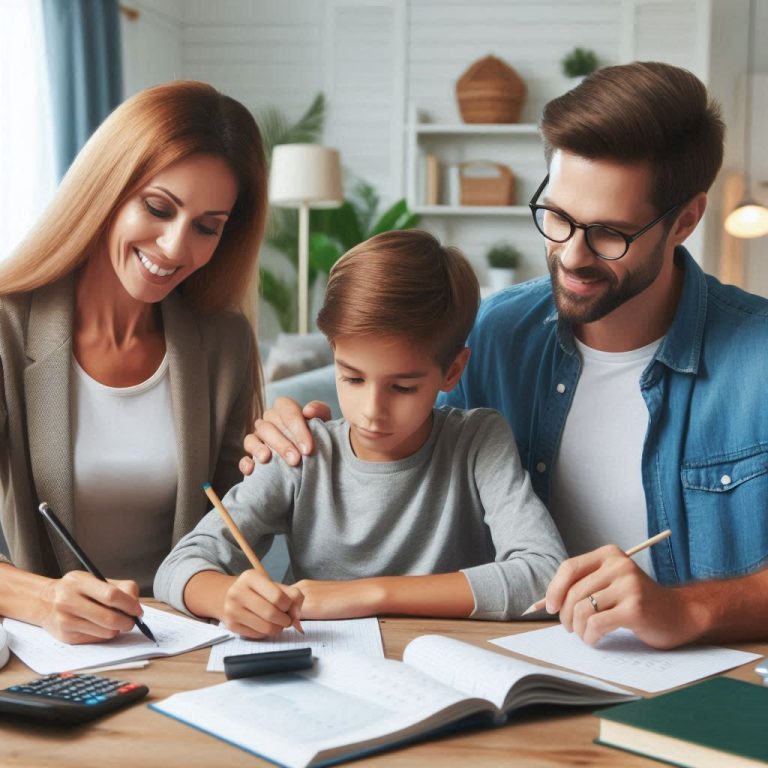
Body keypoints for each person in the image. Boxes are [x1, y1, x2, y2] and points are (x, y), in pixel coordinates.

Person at [246, 61, 768, 650]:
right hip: (512, 672)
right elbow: (397, 434)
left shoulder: (760, 360)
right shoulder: (492, 334)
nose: (570, 255)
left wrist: (687, 609)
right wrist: (291, 424)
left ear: (686, 221)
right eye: (558, 216)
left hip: (708, 687)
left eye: (609, 233)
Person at [154, 231, 566, 637]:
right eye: (351, 377)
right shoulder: (301, 452)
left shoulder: (478, 441)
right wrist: (228, 597)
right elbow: (178, 568)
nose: (372, 412)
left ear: (453, 371)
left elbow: (545, 574)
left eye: (403, 387)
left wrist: (367, 595)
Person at [0, 80, 267, 644]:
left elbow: (230, 532)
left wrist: (309, 458)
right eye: (157, 207)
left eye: (207, 227)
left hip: (187, 646)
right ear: (105, 190)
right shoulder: (7, 329)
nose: (174, 247)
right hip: (51, 655)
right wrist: (44, 599)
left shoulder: (224, 342)